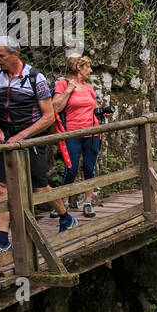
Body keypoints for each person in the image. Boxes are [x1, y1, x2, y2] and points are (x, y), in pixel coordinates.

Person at [0, 36, 74, 259]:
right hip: (5, 139)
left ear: (15, 55)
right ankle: (2, 241)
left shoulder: (34, 78)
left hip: (30, 137)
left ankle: (65, 216)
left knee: (39, 187)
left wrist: (22, 136)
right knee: (0, 187)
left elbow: (48, 116)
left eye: (0, 55)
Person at [52, 55, 101, 218]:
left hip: (92, 132)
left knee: (89, 168)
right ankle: (63, 203)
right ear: (79, 68)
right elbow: (56, 108)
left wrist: (103, 112)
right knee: (70, 168)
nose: (91, 70)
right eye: (88, 67)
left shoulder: (88, 87)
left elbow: (95, 107)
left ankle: (88, 202)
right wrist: (68, 90)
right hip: (72, 132)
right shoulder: (62, 84)